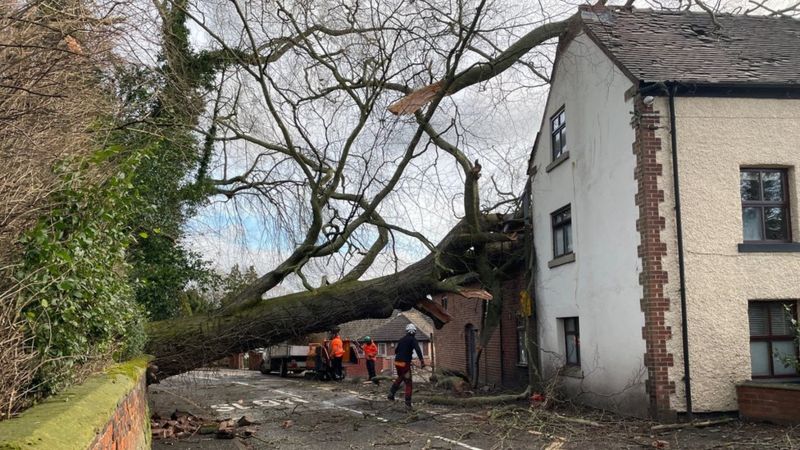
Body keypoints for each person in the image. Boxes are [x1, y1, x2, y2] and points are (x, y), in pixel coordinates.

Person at [388, 323, 425, 408]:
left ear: (406, 331)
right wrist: (422, 361)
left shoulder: (401, 339)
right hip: (405, 363)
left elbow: (396, 351)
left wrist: (406, 354)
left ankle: (391, 393)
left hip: (397, 362)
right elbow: (418, 350)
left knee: (401, 377)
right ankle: (408, 403)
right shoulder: (413, 340)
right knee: (408, 383)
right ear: (414, 332)